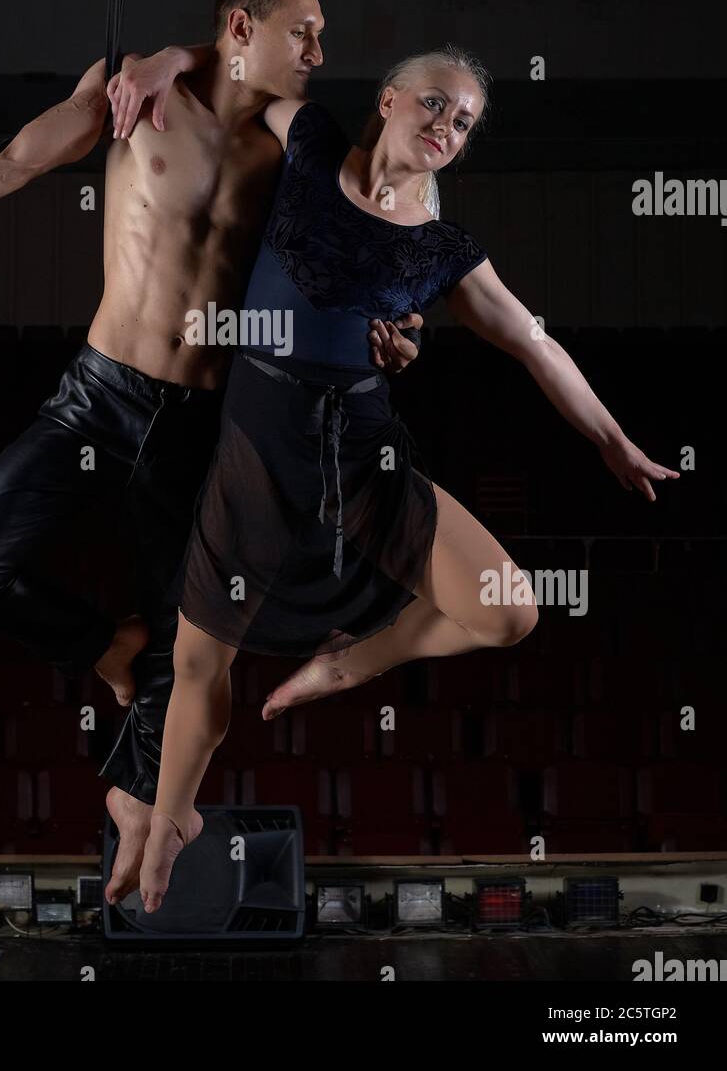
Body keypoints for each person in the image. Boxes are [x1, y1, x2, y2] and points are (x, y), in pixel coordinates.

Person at [0, 0, 421, 901]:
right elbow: (7, 158)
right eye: (304, 33)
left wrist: (395, 331)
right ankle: (105, 648)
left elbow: (366, 253)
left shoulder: (297, 153)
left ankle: (146, 810)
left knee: (195, 647)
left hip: (203, 425)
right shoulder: (133, 99)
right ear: (243, 28)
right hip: (96, 399)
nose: (319, 54)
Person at [134, 45, 681, 913]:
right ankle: (169, 822)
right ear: (387, 102)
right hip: (258, 437)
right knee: (200, 662)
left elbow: (534, 341)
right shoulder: (309, 144)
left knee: (510, 609)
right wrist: (166, 62)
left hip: (359, 445)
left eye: (462, 122)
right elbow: (240, 78)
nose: (444, 127)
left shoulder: (443, 248)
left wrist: (610, 438)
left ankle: (344, 668)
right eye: (432, 104)